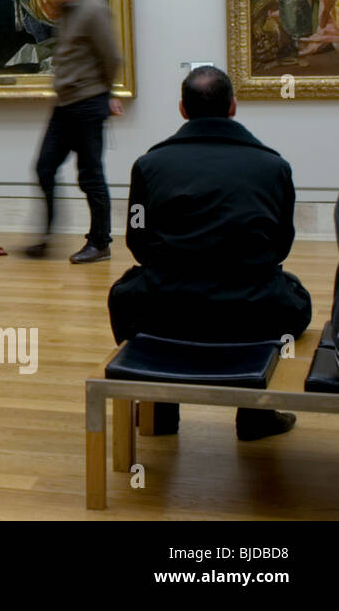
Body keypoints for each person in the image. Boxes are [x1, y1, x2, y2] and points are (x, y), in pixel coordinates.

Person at [108, 66, 312, 441]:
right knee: (294, 296)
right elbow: (281, 245)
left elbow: (136, 240)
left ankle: (160, 413)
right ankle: (255, 416)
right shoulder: (274, 166)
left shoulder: (149, 166)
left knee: (128, 293)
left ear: (182, 110)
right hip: (251, 309)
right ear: (233, 106)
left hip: (166, 308)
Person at [24, 0, 123, 264]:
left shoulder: (93, 8)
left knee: (90, 175)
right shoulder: (65, 10)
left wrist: (105, 93)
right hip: (66, 104)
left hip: (88, 102)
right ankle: (46, 237)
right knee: (44, 167)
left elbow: (112, 57)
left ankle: (100, 243)